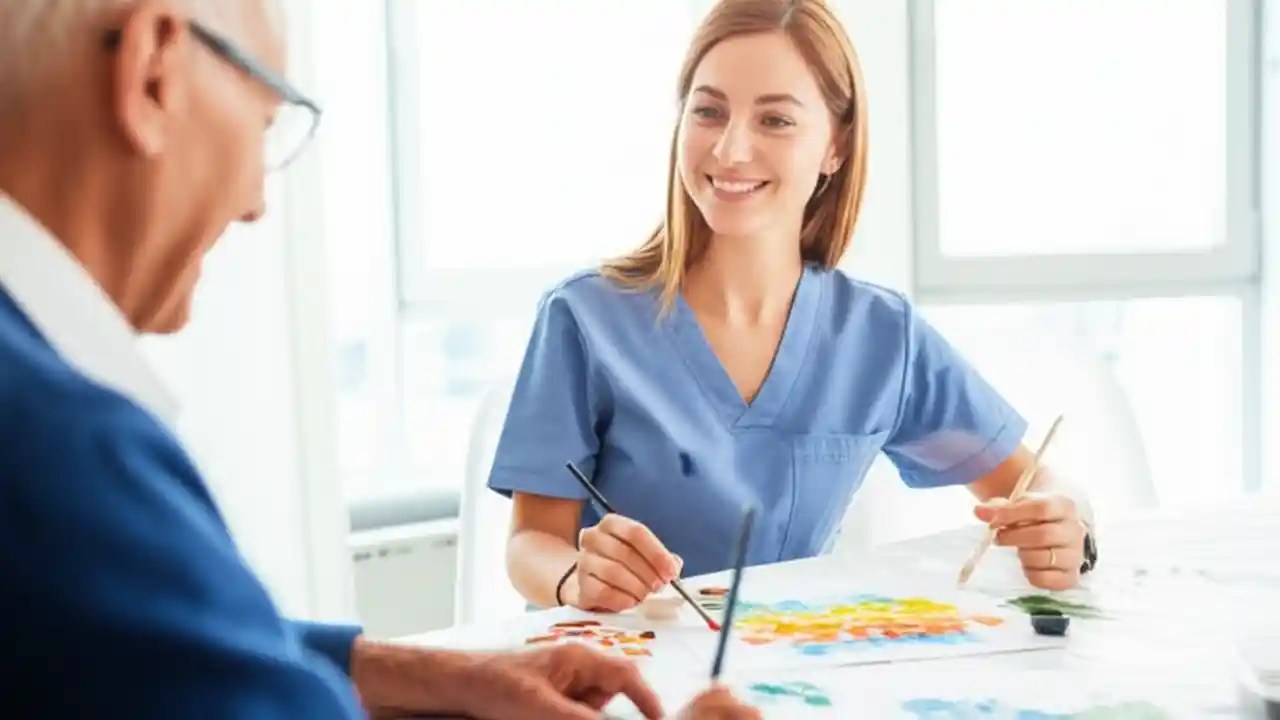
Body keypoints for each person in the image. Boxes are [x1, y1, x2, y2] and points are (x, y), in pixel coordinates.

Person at [0, 1, 760, 717]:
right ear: (152, 75)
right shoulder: (61, 451)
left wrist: (449, 674)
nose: (256, 201)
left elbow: (170, 645)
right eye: (265, 124)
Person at [491, 0, 1097, 614]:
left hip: (784, 660)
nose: (730, 150)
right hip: (614, 660)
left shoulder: (882, 337)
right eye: (708, 111)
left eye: (775, 120)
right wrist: (576, 578)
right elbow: (531, 542)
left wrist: (1065, 524)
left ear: (836, 146)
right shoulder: (585, 319)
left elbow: (1034, 482)